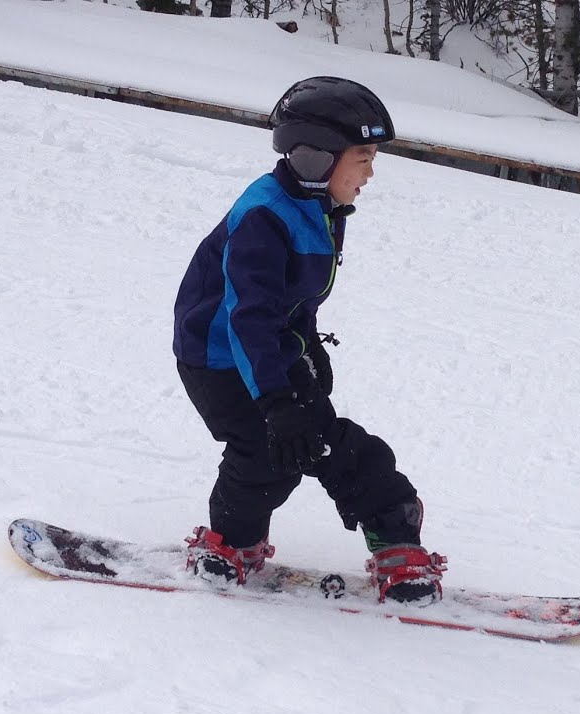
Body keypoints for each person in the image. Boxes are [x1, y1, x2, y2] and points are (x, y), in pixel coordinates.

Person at [172, 76, 447, 605]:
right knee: (267, 448)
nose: (370, 173)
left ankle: (393, 535)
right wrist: (276, 400)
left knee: (314, 443)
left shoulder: (316, 208)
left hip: (268, 352)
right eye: (362, 158)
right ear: (317, 161)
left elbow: (292, 301)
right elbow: (248, 319)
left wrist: (308, 349)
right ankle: (231, 543)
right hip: (220, 360)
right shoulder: (265, 218)